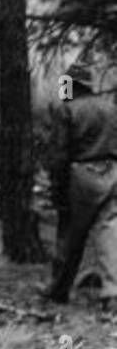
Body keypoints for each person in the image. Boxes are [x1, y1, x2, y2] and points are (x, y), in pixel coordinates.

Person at [43, 62, 117, 308]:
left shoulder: (67, 110)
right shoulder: (111, 108)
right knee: (109, 233)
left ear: (72, 85)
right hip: (111, 172)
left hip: (81, 175)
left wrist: (57, 188)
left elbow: (59, 155)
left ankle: (58, 290)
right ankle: (112, 293)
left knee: (70, 236)